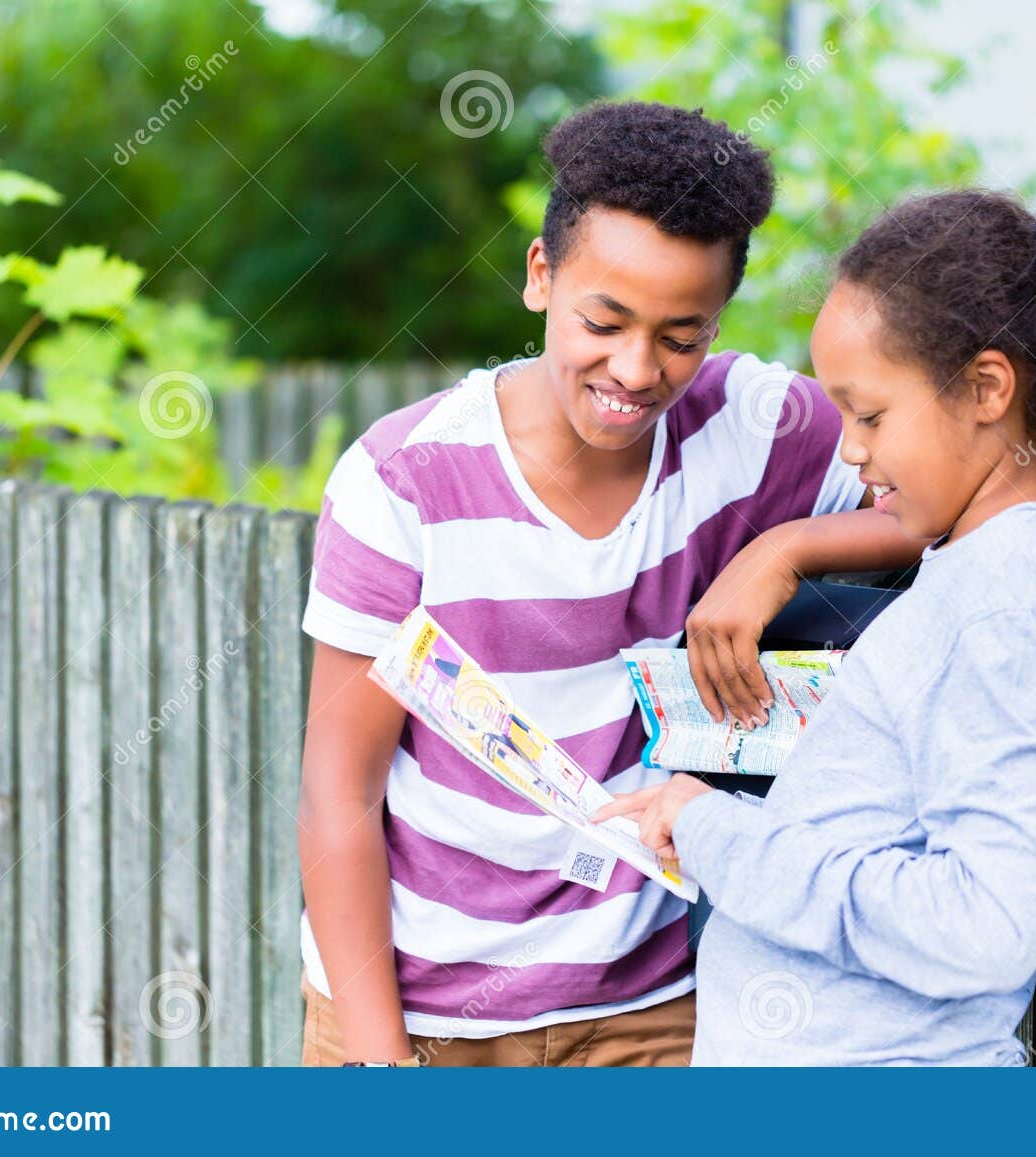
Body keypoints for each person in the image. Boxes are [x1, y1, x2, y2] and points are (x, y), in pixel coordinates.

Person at [297, 101, 930, 1068]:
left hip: (647, 1011)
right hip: (415, 1016)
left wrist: (783, 552)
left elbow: (939, 497)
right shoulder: (404, 484)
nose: (636, 371)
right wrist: (381, 1067)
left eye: (682, 336)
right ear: (541, 276)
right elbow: (339, 793)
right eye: (605, 321)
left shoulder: (753, 428)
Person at [596, 189, 1036, 1065]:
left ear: (986, 388)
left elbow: (986, 924)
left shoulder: (1012, 599)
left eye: (869, 415)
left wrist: (716, 828)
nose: (851, 450)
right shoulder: (979, 562)